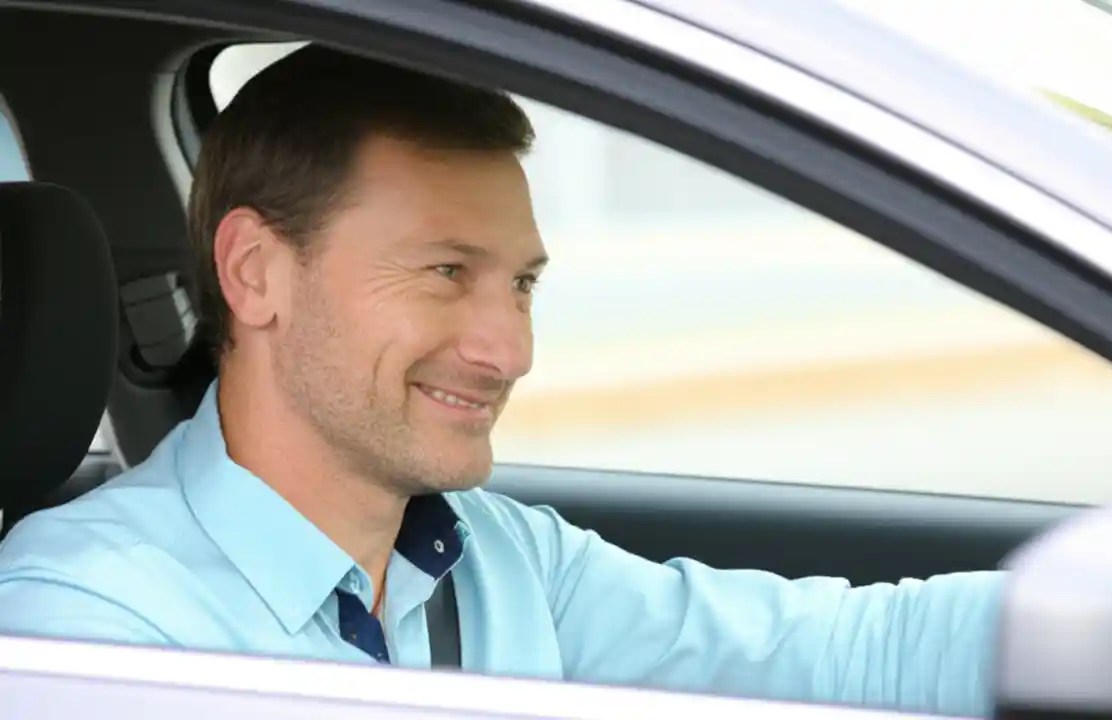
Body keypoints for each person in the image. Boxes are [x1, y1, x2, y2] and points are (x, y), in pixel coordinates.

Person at [0, 48, 1002, 716]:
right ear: (256, 274)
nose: (508, 349)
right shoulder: (82, 626)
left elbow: (852, 657)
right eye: (445, 273)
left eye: (519, 284)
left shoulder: (501, 561)